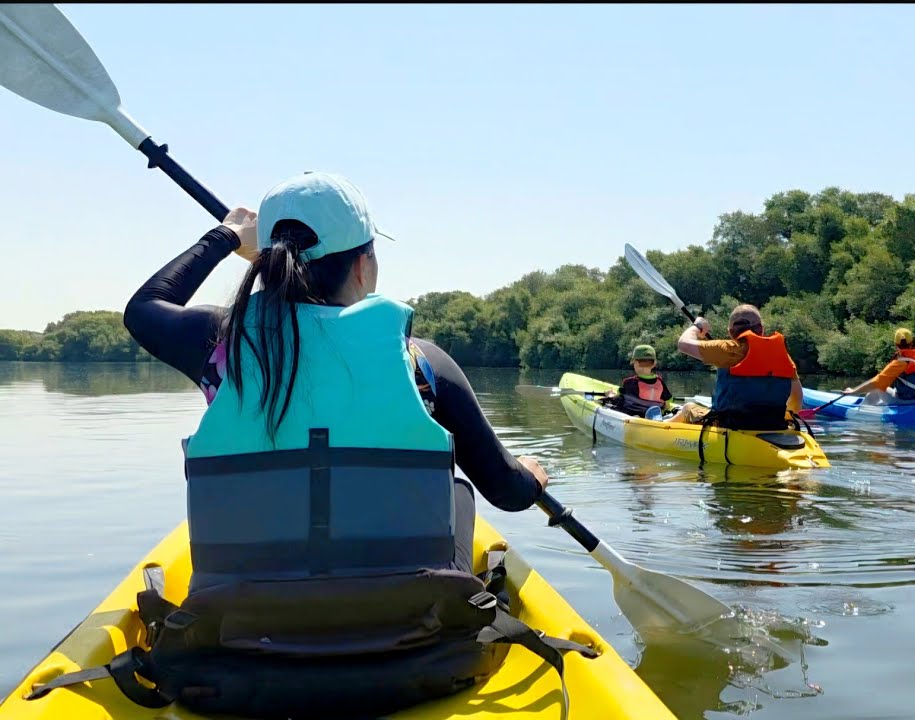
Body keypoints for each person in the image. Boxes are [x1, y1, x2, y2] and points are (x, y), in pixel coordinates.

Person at [61, 171, 595, 718]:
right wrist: (532, 472)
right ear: (364, 265)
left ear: (265, 259)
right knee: (457, 489)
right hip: (413, 637)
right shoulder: (423, 363)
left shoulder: (217, 343)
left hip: (239, 635)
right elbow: (507, 491)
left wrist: (224, 236)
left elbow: (145, 307)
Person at [666, 304, 803, 429]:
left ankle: (661, 426)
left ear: (731, 332)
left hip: (729, 425)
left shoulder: (728, 350)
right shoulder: (782, 356)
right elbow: (796, 400)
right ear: (761, 330)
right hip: (775, 425)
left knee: (688, 408)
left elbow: (683, 344)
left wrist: (698, 327)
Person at [842, 328, 915, 405]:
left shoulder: (900, 362)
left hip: (908, 401)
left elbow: (877, 383)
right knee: (882, 386)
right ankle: (869, 406)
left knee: (877, 386)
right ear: (912, 342)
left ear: (896, 345)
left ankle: (862, 411)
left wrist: (854, 391)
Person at [602, 344, 675, 419]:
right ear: (654, 364)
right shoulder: (660, 382)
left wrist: (610, 395)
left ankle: (609, 394)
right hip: (654, 414)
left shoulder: (629, 382)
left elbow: (619, 396)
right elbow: (670, 399)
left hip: (632, 414)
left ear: (635, 363)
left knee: (614, 400)